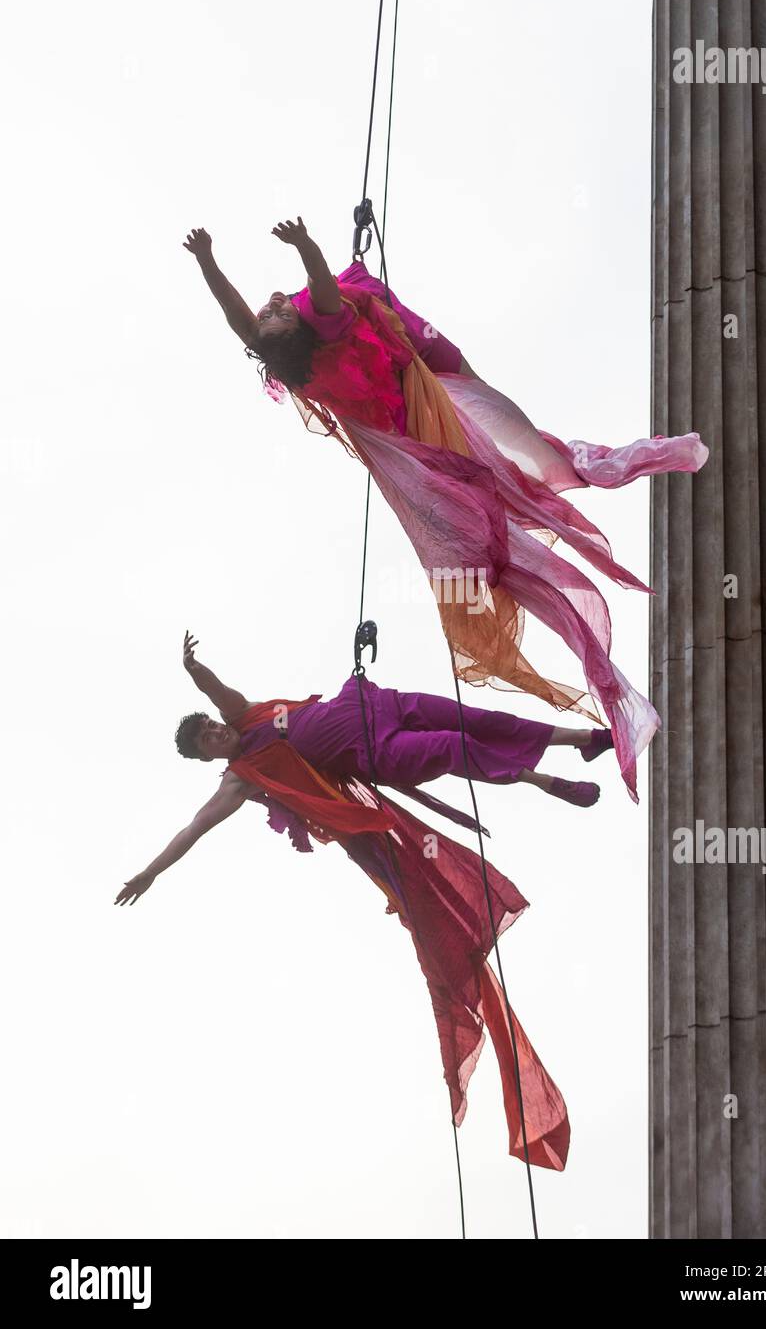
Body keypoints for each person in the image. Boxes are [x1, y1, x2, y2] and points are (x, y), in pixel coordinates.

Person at [184, 218, 709, 800]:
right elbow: (311, 298)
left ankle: (569, 728)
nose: (270, 306)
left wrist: (207, 261)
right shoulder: (325, 328)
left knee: (501, 484)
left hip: (405, 426)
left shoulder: (295, 354)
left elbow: (241, 319)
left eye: (269, 311)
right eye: (273, 314)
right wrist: (305, 247)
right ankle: (567, 731)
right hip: (415, 415)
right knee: (508, 479)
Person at [114, 633, 581, 1171]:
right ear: (209, 757)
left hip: (371, 704)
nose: (217, 731)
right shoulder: (242, 780)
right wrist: (150, 871)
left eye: (211, 726)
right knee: (453, 747)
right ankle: (544, 778)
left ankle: (578, 738)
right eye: (208, 739)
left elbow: (220, 692)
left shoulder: (247, 716)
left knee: (468, 717)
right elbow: (194, 829)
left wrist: (193, 668)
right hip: (373, 751)